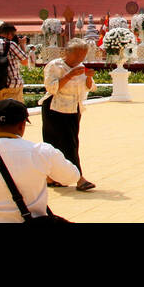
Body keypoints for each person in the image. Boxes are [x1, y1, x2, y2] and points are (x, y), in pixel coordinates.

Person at [40, 38, 96, 191]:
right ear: (66, 52)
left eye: (83, 55)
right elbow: (51, 88)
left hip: (73, 108)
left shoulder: (81, 67)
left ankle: (54, 177)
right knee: (58, 144)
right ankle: (79, 179)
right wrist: (69, 75)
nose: (80, 59)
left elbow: (88, 87)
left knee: (71, 142)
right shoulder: (54, 65)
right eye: (77, 55)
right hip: (55, 107)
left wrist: (88, 76)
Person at [0, 23, 29, 105]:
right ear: (9, 34)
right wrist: (22, 45)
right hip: (12, 85)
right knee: (15, 112)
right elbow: (24, 62)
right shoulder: (11, 44)